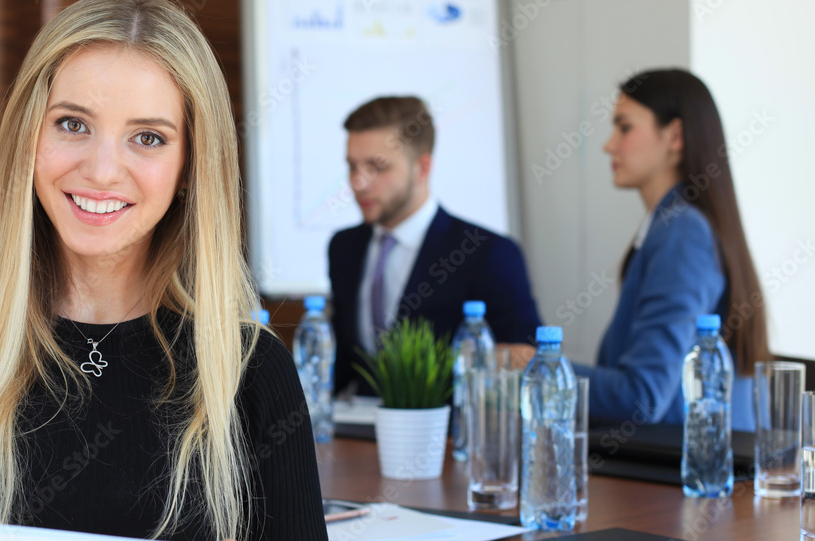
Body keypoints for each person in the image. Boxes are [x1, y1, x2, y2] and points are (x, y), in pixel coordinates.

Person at [0, 0, 330, 541]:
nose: (103, 170)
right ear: (28, 137)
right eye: (72, 124)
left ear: (190, 166)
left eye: (148, 137)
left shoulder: (253, 371)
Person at [574, 69, 769, 430]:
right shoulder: (671, 224)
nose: (609, 145)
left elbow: (642, 397)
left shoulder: (683, 231)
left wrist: (535, 368)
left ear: (675, 136)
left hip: (685, 462)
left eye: (624, 128)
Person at [329, 96, 542, 396]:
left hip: (447, 423)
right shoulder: (344, 247)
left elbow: (527, 356)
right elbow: (343, 363)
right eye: (353, 166)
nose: (358, 182)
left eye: (377, 167)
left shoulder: (487, 253)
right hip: (357, 422)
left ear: (422, 168)